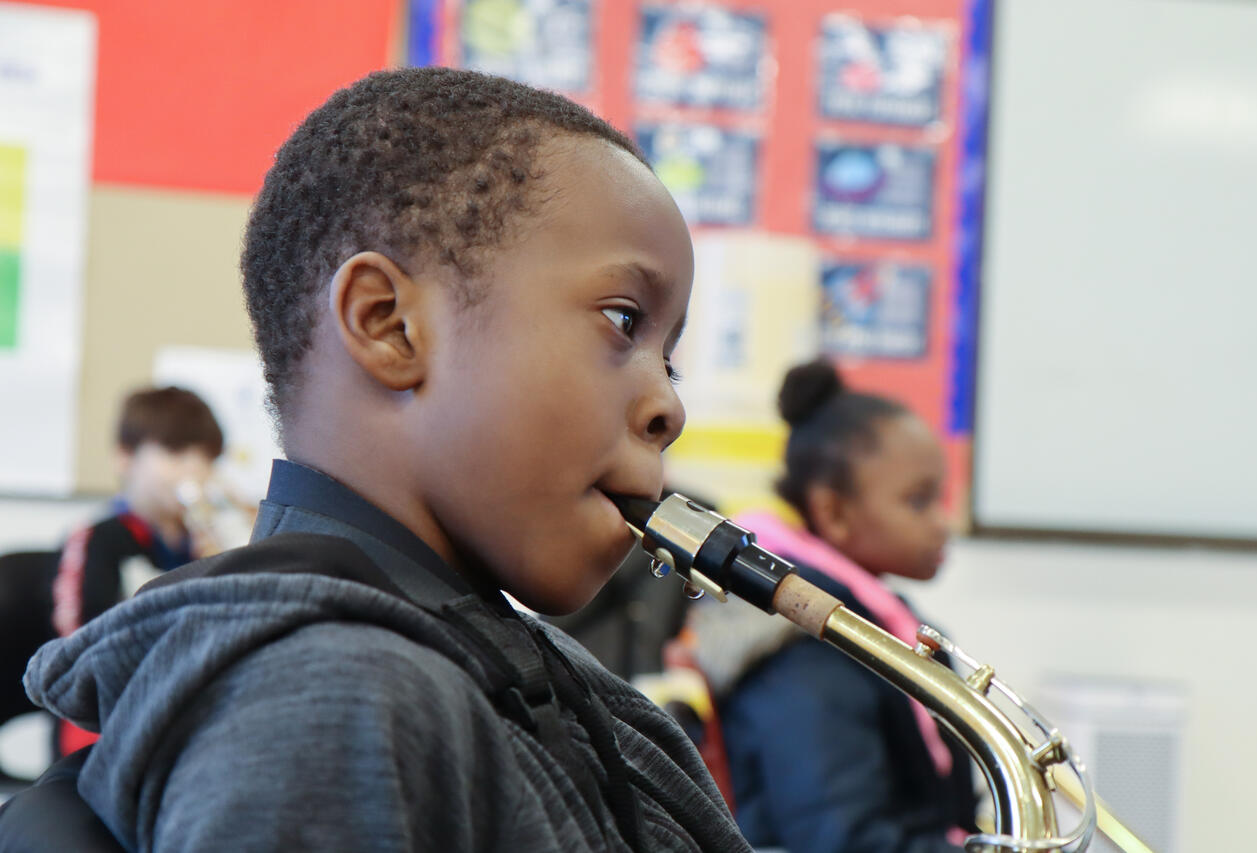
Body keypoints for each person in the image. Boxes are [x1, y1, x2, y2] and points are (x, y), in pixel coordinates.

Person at [11, 67, 750, 852]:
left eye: (666, 358)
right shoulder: (327, 695)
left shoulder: (529, 670)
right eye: (622, 319)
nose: (668, 406)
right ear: (388, 324)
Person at [683, 358, 980, 853]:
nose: (941, 523)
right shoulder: (801, 649)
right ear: (834, 512)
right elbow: (843, 841)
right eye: (918, 501)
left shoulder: (880, 620)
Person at [47, 386, 223, 758]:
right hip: (101, 721)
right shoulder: (97, 539)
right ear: (125, 458)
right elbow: (80, 648)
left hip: (176, 708)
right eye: (175, 453)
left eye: (207, 457)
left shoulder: (202, 544)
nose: (195, 470)